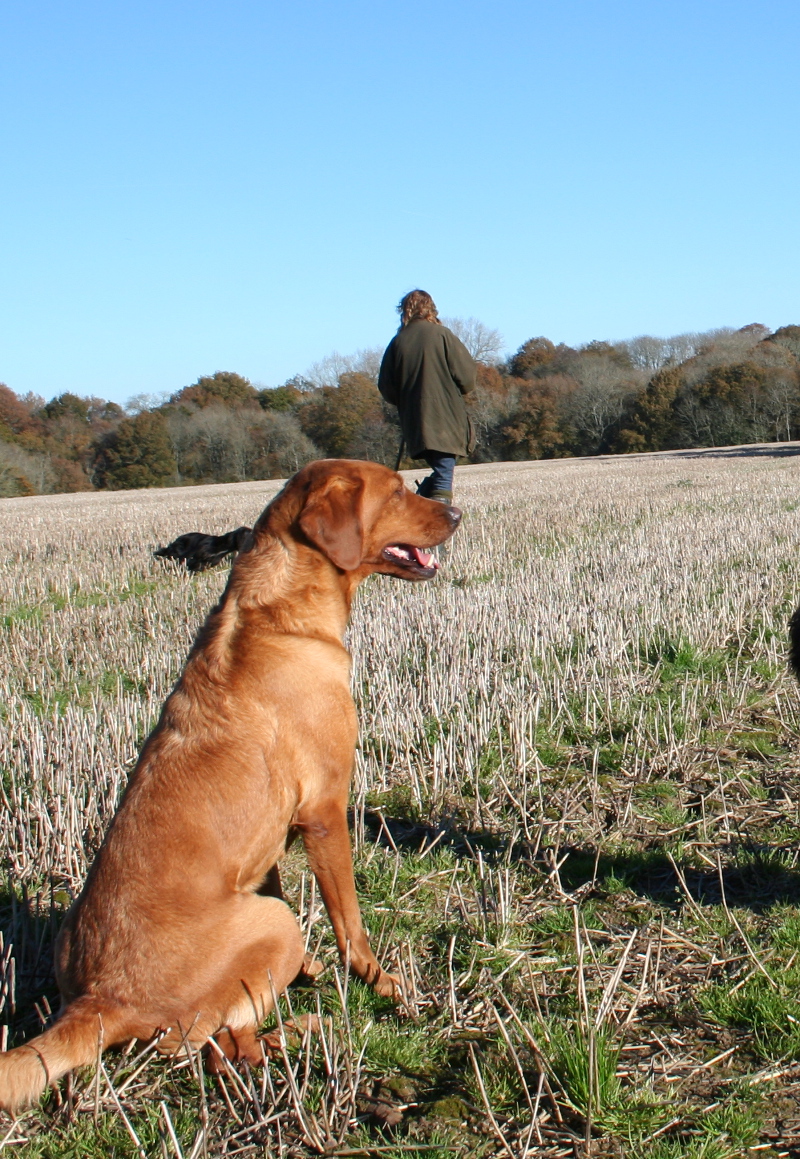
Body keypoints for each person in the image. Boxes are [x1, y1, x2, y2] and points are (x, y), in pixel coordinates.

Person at [378, 290, 476, 503]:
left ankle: (418, 504)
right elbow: (468, 379)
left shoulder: (397, 342)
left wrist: (409, 401)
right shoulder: (442, 335)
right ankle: (434, 529)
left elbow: (387, 388)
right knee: (443, 476)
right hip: (446, 420)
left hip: (414, 422)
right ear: (431, 308)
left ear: (404, 311)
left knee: (441, 471)